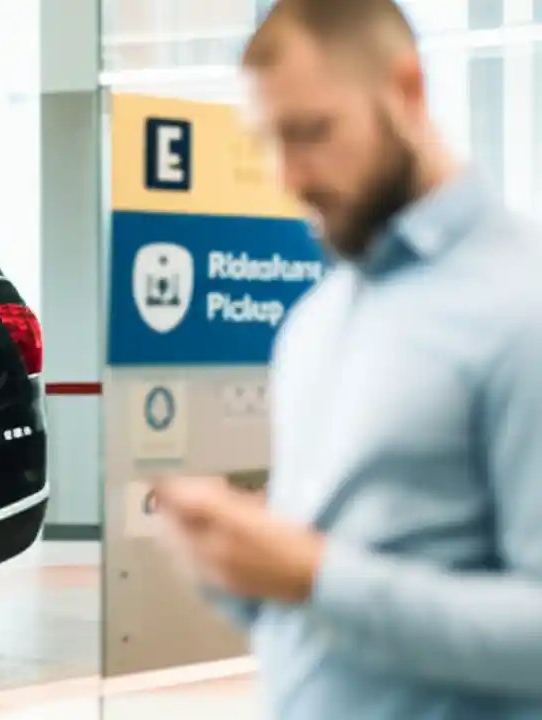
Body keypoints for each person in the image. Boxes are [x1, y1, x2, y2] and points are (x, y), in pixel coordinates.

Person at [151, 1, 542, 718]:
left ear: (408, 90)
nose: (289, 176)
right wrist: (240, 568)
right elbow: (317, 609)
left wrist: (313, 574)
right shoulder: (316, 322)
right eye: (269, 140)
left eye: (312, 132)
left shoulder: (522, 307)